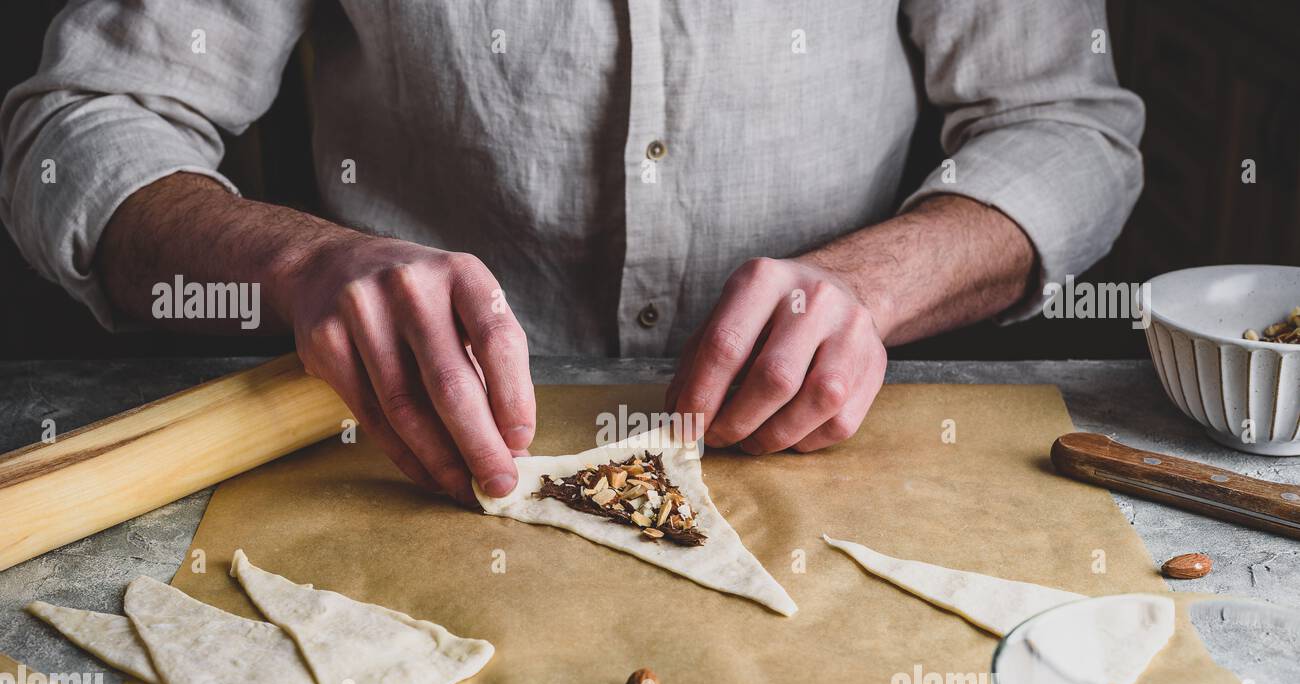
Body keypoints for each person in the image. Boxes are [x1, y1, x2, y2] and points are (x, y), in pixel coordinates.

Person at [0, 1, 1143, 505]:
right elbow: (82, 128)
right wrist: (298, 265)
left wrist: (876, 284)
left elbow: (1064, 127)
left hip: (829, 457)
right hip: (394, 460)